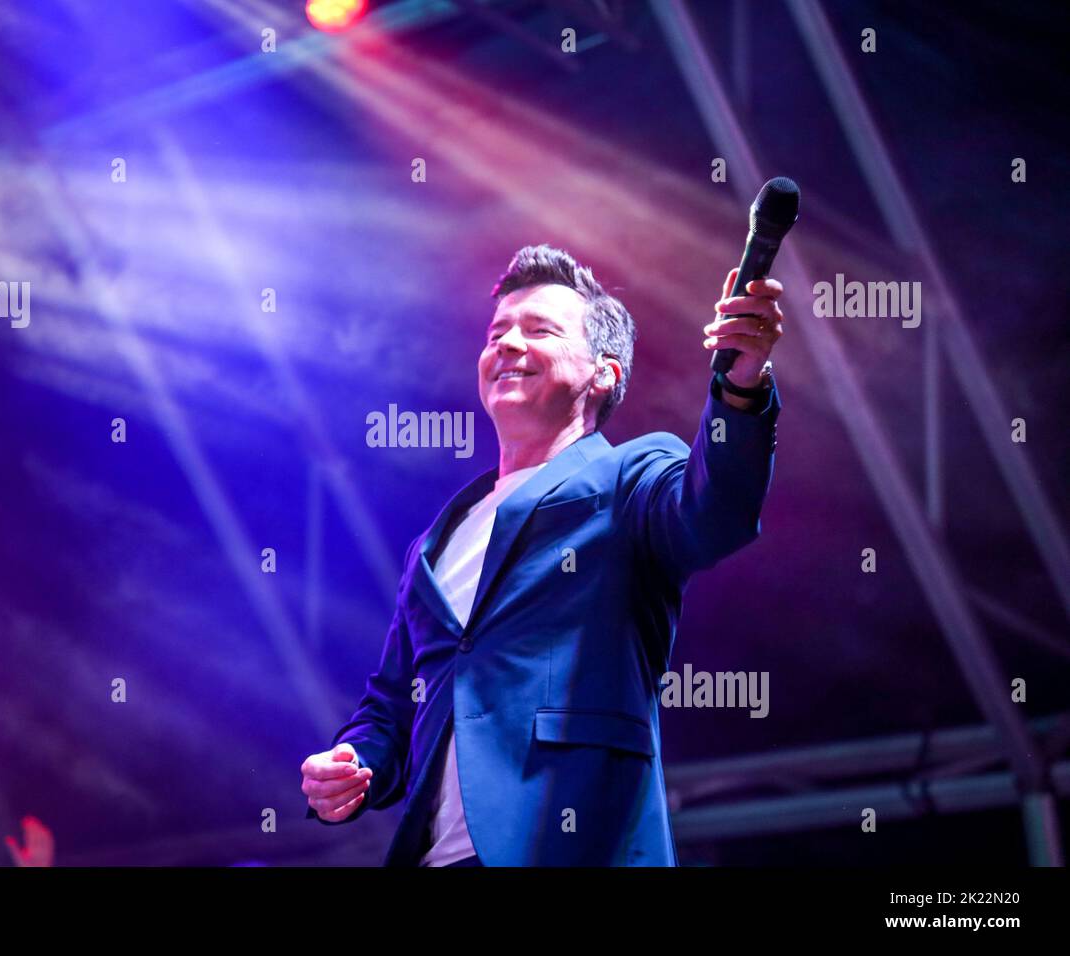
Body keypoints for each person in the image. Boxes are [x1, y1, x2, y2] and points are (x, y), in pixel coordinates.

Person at [301, 245, 783, 866]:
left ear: (603, 372)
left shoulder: (628, 477)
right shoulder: (439, 538)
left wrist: (740, 386)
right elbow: (395, 702)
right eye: (497, 331)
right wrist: (351, 761)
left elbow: (714, 512)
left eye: (540, 330)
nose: (506, 344)